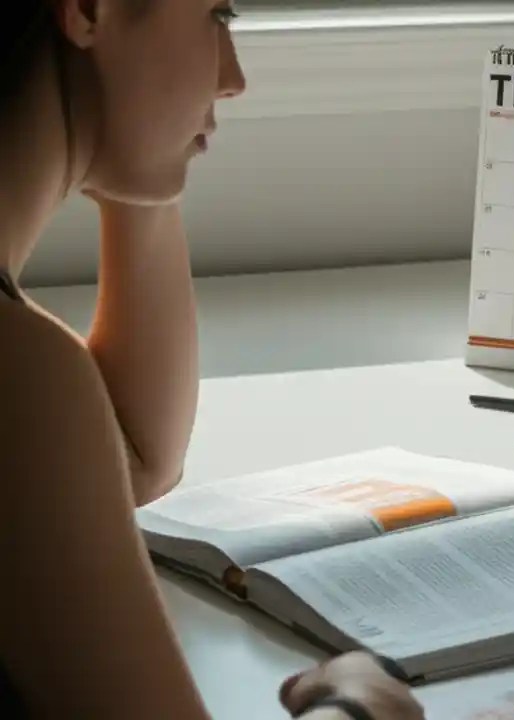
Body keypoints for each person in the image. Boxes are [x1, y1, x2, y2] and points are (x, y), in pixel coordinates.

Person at [0, 2, 426, 718]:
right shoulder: (18, 374)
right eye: (217, 17)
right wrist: (358, 706)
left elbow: (134, 453)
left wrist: (133, 150)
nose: (233, 78)